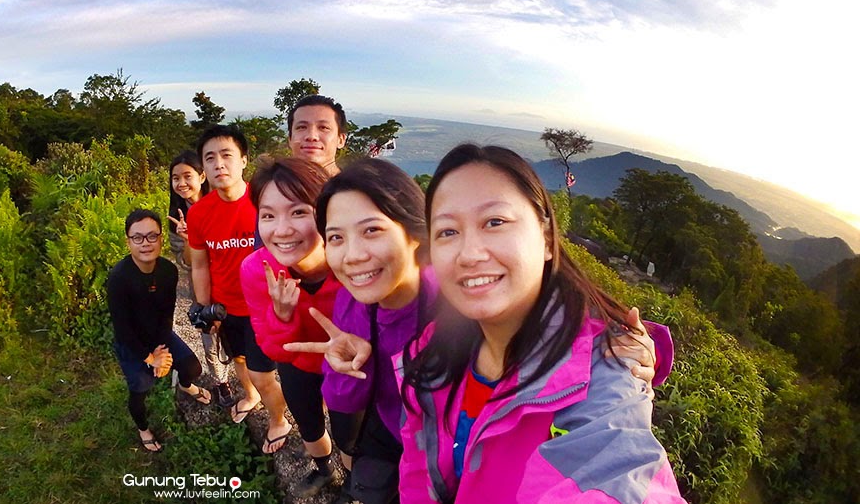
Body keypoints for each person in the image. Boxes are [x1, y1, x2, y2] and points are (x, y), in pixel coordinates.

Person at [286, 159, 669, 504]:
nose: (353, 255)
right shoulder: (403, 328)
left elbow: (617, 465)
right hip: (404, 444)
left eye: (495, 222)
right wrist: (349, 366)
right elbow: (379, 423)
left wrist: (631, 347)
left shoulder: (454, 301)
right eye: (449, 231)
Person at [398, 144, 686, 502]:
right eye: (447, 232)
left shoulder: (603, 370)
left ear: (547, 239)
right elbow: (417, 473)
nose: (469, 254)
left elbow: (619, 474)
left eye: (495, 222)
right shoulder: (433, 353)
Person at [186, 124, 291, 453]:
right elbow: (200, 265)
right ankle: (251, 396)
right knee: (239, 360)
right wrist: (205, 310)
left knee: (264, 373)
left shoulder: (265, 203)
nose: (219, 164)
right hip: (226, 307)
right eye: (210, 158)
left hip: (267, 308)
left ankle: (279, 420)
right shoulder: (199, 213)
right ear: (203, 168)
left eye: (226, 155)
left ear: (243, 160)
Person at [240, 157, 339, 497]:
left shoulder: (353, 262)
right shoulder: (258, 270)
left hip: (352, 366)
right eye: (268, 215)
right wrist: (282, 316)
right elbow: (272, 349)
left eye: (298, 212)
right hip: (299, 364)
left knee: (350, 435)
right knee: (309, 426)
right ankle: (324, 469)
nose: (280, 230)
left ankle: (353, 482)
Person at [107, 209, 211, 453]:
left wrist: (162, 351)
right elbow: (123, 329)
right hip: (132, 344)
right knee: (140, 389)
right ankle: (143, 428)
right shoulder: (119, 278)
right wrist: (151, 359)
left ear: (161, 238)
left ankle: (185, 385)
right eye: (138, 237)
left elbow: (167, 313)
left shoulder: (167, 271)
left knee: (192, 368)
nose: (146, 243)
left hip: (159, 335)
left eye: (152, 236)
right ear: (128, 241)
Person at [165, 151, 233, 405]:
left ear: (202, 176)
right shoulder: (177, 217)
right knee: (209, 335)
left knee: (237, 334)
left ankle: (251, 379)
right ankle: (221, 382)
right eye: (175, 178)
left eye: (187, 176)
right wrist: (188, 238)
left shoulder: (222, 202)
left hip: (230, 280)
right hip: (202, 287)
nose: (181, 183)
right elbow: (186, 262)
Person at [287, 94, 348, 176]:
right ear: (290, 139)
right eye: (302, 127)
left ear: (341, 140)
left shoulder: (358, 183)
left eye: (323, 127)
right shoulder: (273, 183)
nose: (311, 136)